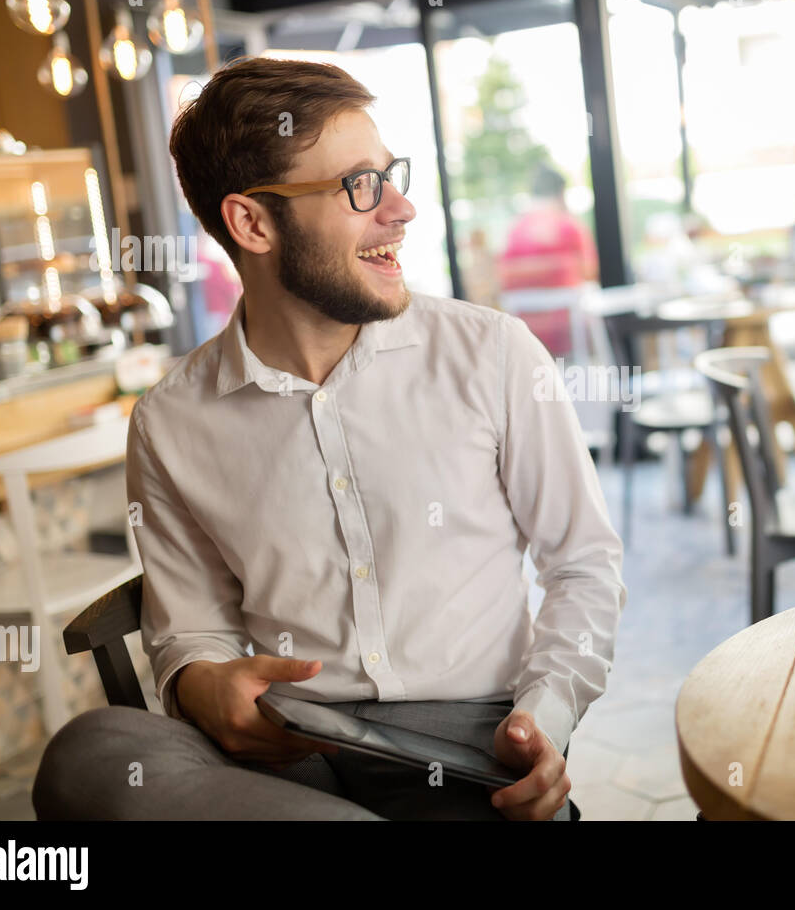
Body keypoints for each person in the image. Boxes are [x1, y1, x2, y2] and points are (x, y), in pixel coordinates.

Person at [31, 58, 625, 820]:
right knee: (88, 754)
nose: (402, 209)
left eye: (390, 175)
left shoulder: (492, 356)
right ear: (252, 223)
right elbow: (192, 631)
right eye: (360, 186)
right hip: (292, 749)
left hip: (468, 747)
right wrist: (202, 683)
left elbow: (582, 564)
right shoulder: (172, 422)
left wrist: (543, 719)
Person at [498, 164, 598, 357]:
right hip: (568, 328)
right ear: (561, 193)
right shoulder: (569, 225)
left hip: (524, 333)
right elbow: (589, 270)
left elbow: (503, 274)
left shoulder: (516, 228)